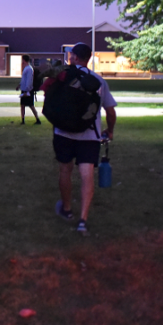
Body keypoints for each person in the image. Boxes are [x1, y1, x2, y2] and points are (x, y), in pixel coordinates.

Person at [51, 43, 116, 235]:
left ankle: (67, 209)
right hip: (90, 135)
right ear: (88, 59)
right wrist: (110, 130)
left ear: (74, 57)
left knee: (65, 170)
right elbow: (110, 111)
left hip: (63, 133)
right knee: (87, 175)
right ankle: (83, 220)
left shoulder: (63, 77)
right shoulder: (98, 81)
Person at [15, 54, 41, 125]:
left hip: (28, 90)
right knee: (22, 105)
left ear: (24, 60)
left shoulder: (29, 69)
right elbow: (24, 79)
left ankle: (37, 119)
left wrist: (27, 90)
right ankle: (23, 120)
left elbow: (29, 80)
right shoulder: (26, 68)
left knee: (31, 105)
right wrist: (19, 85)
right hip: (24, 89)